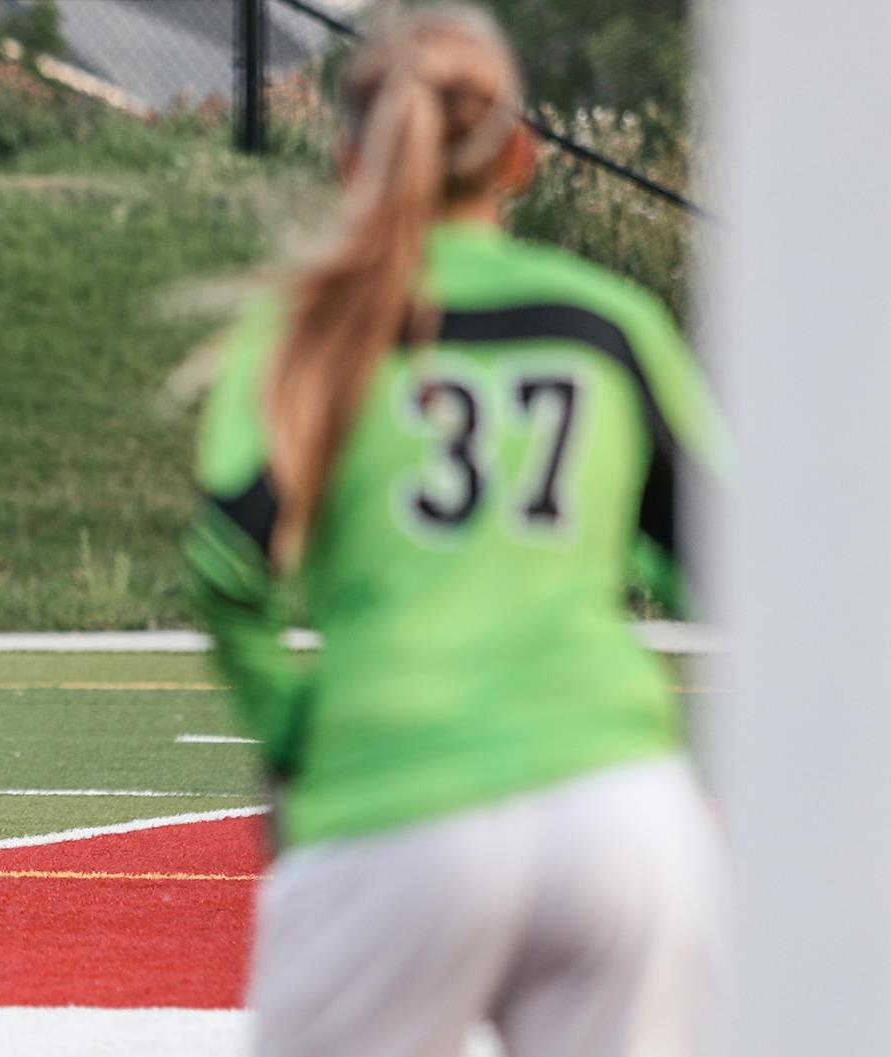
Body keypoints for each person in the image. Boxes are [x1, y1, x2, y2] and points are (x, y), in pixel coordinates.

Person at [186, 8, 722, 1056]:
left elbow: (223, 566)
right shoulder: (606, 322)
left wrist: (294, 727)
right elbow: (739, 561)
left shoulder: (307, 328)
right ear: (518, 155)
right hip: (611, 804)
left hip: (392, 797)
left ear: (350, 162)